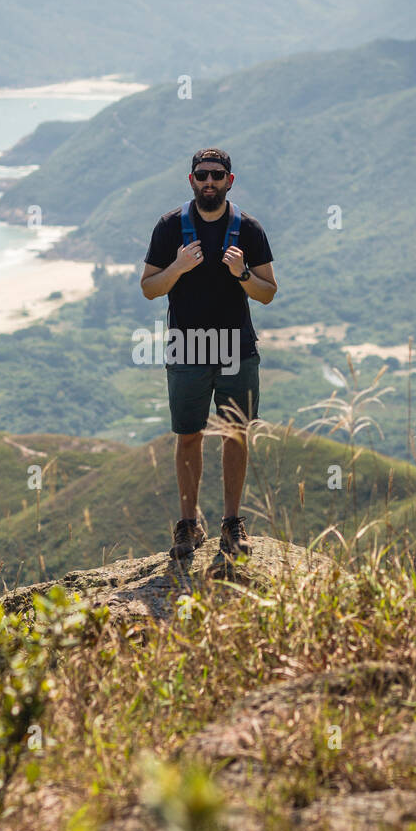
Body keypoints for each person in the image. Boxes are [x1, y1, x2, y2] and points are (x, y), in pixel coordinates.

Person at [140, 147, 277, 560]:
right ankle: (188, 525)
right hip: (188, 347)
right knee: (188, 436)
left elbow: (268, 292)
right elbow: (149, 287)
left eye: (217, 175)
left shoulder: (248, 229)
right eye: (202, 175)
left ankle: (232, 524)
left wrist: (244, 274)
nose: (209, 182)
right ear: (191, 180)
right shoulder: (169, 227)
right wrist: (178, 267)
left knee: (235, 435)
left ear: (230, 181)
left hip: (237, 347)